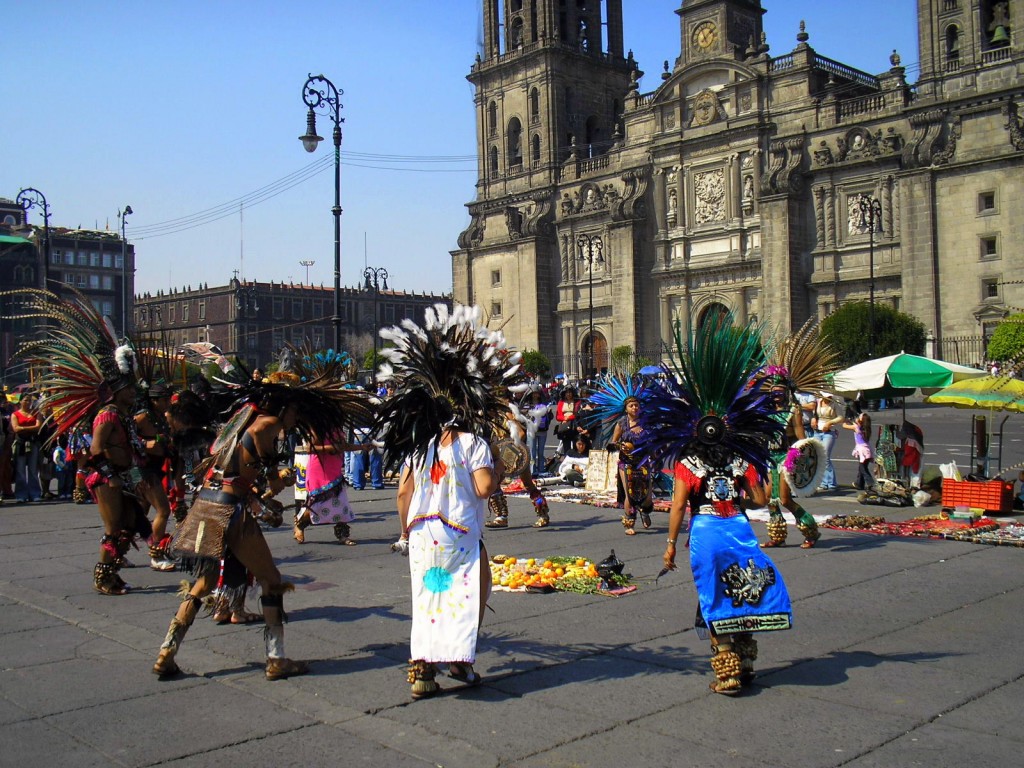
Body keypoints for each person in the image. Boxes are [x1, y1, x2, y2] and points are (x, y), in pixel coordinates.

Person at [154, 369, 372, 680]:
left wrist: (263, 497)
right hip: (229, 511)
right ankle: (276, 659)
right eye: (294, 410)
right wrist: (273, 475)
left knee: (204, 584)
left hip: (207, 504)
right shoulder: (266, 423)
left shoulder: (242, 420)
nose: (295, 417)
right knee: (271, 580)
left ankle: (167, 650)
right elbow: (261, 443)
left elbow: (234, 471)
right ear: (283, 406)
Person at [375, 302, 527, 699]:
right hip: (457, 533)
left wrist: (404, 532)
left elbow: (403, 492)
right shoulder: (473, 443)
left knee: (428, 599)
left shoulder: (419, 444)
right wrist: (500, 468)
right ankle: (460, 661)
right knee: (467, 595)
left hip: (422, 534)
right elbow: (483, 489)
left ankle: (422, 673)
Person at [647, 315, 793, 695]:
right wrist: (751, 479)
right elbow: (759, 499)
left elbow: (678, 507)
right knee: (743, 591)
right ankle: (746, 663)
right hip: (739, 531)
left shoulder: (687, 463)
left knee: (713, 596)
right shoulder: (740, 461)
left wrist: (669, 545)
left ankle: (727, 671)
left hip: (707, 533)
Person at [10, 392, 42, 503]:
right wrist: (29, 428)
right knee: (20, 471)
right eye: (26, 400)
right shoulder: (15, 414)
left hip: (33, 443)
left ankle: (35, 493)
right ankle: (21, 494)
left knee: (33, 470)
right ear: (20, 401)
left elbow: (38, 427)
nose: (28, 402)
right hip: (21, 444)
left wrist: (23, 428)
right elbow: (16, 428)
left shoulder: (36, 413)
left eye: (30, 400)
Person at [813, 392, 843, 493]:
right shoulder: (818, 402)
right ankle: (823, 482)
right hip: (817, 431)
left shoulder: (835, 403)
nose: (828, 398)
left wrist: (830, 422)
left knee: (825, 456)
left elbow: (841, 417)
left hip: (829, 432)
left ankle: (831, 483)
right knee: (818, 457)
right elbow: (814, 413)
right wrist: (813, 419)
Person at [526, 389, 554, 476]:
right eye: (533, 393)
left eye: (537, 393)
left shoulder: (544, 404)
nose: (535, 395)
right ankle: (532, 470)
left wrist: (548, 413)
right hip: (531, 430)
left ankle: (541, 470)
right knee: (532, 453)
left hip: (542, 430)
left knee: (541, 452)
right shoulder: (527, 404)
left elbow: (551, 417)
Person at [844, 411, 874, 490]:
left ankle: (871, 483)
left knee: (863, 469)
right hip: (867, 450)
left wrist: (844, 420)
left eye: (858, 417)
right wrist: (851, 421)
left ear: (860, 421)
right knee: (862, 467)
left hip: (862, 451)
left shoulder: (856, 427)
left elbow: (844, 426)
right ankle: (859, 484)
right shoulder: (866, 428)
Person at [554, 387, 580, 454]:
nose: (568, 394)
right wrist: (564, 418)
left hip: (574, 425)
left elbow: (577, 414)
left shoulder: (577, 402)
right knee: (566, 447)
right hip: (565, 426)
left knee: (576, 446)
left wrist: (568, 418)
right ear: (564, 393)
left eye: (570, 392)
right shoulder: (561, 402)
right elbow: (558, 416)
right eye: (567, 392)